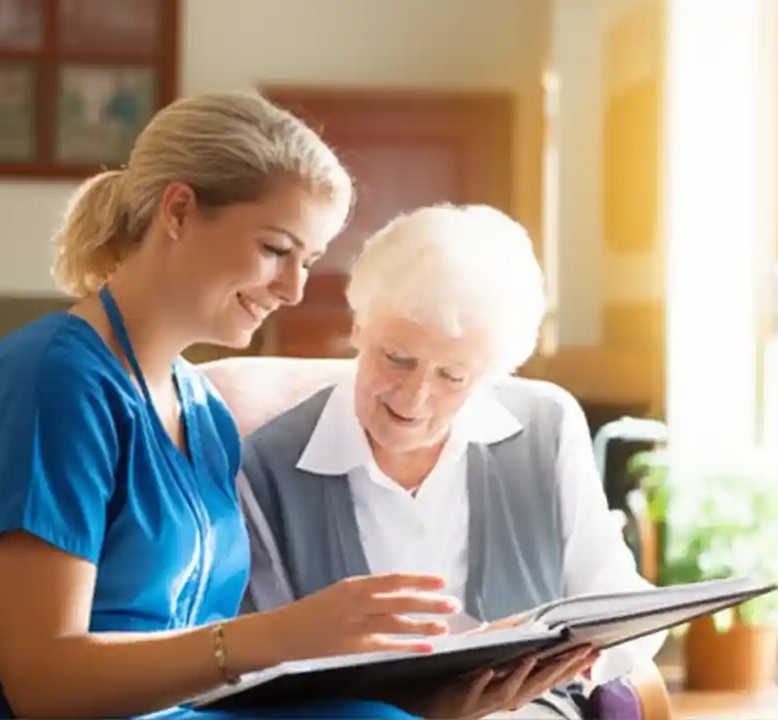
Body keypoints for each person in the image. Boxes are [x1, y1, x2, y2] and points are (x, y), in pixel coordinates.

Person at [0, 92, 594, 720]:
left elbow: (200, 669)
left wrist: (425, 697)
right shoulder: (50, 383)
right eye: (275, 249)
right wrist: (288, 632)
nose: (292, 289)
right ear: (180, 210)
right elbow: (45, 685)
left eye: (309, 261)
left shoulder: (203, 413)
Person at [239, 204, 668, 719]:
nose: (414, 398)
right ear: (359, 326)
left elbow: (616, 603)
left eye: (453, 377)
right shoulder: (268, 463)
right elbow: (264, 672)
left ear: (491, 372)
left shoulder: (545, 427)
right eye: (396, 358)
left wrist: (573, 660)